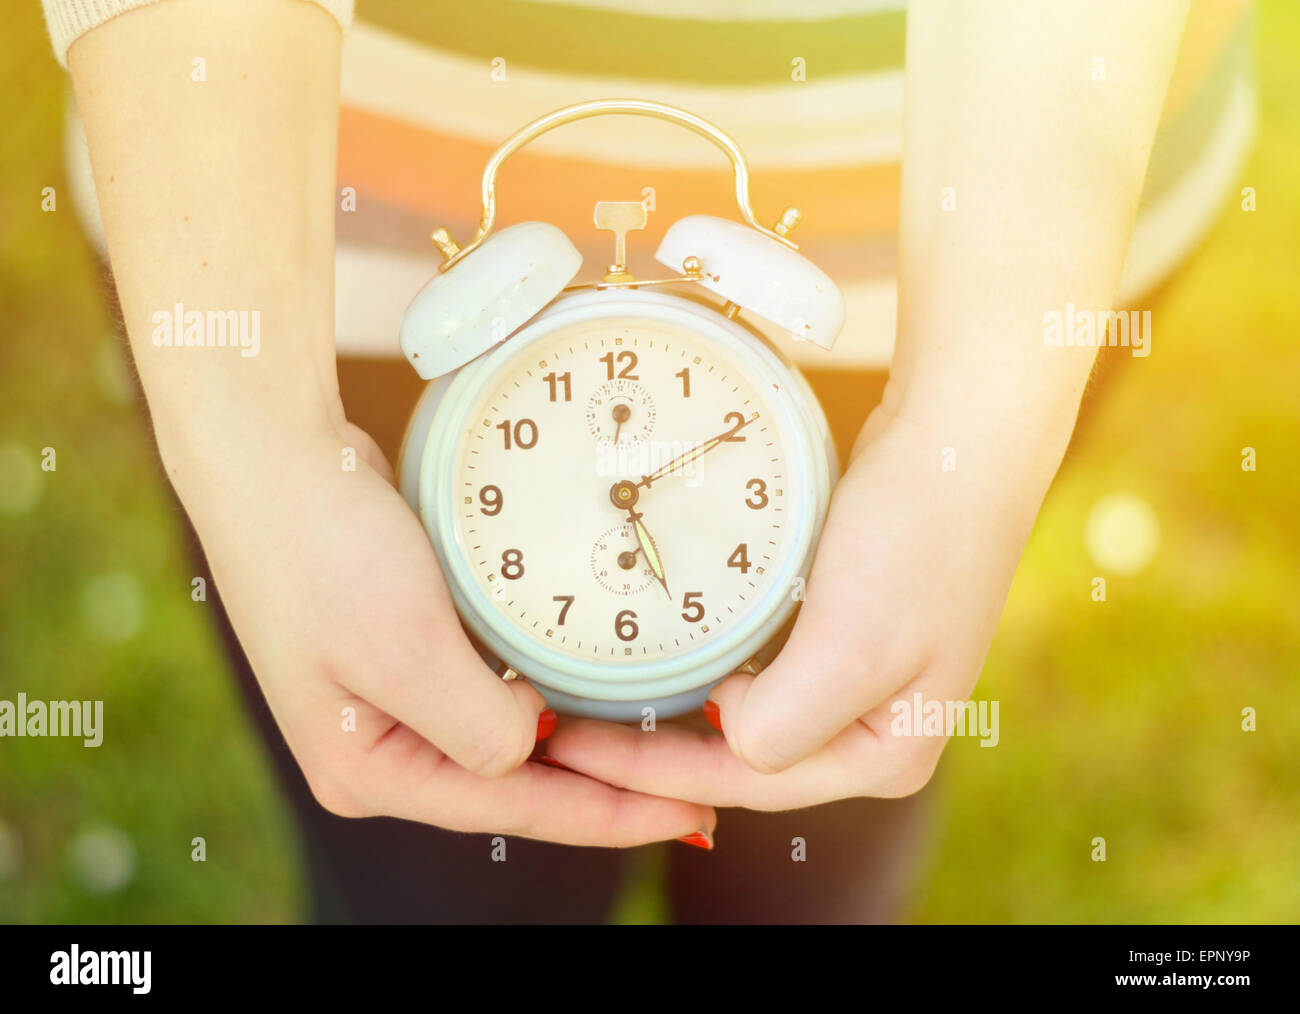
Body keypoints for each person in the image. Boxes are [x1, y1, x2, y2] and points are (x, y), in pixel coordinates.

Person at [42, 0, 1252, 922]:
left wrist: (972, 434)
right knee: (432, 874)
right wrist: (253, 433)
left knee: (828, 805)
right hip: (285, 242)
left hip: (1016, 247)